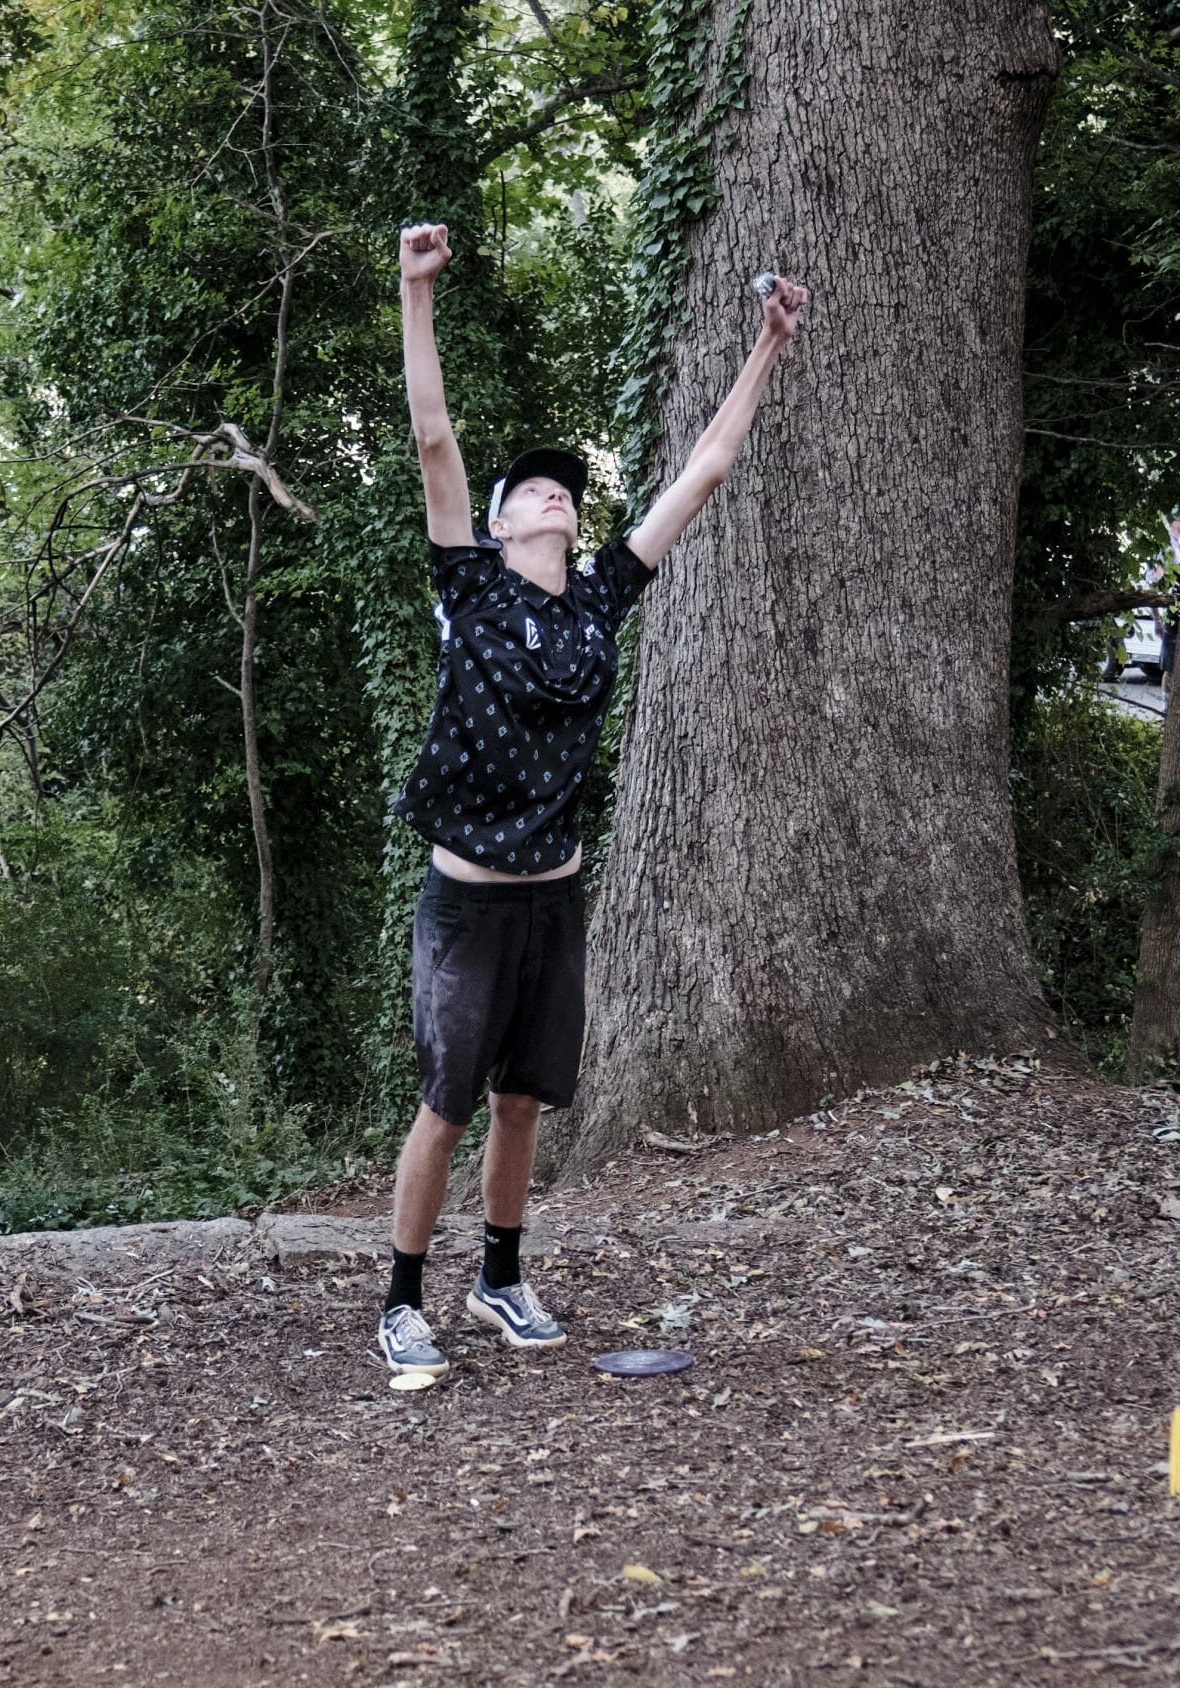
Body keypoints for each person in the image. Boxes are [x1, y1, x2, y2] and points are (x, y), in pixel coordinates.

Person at [374, 222, 806, 1380]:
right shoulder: (466, 583)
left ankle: (501, 1279)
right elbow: (431, 434)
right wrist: (418, 292)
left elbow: (706, 468)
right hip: (467, 903)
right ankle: (403, 1298)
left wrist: (767, 346)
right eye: (537, 490)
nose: (557, 496)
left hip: (555, 897)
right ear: (504, 520)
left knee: (523, 1103)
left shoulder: (599, 601)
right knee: (449, 1102)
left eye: (570, 489)